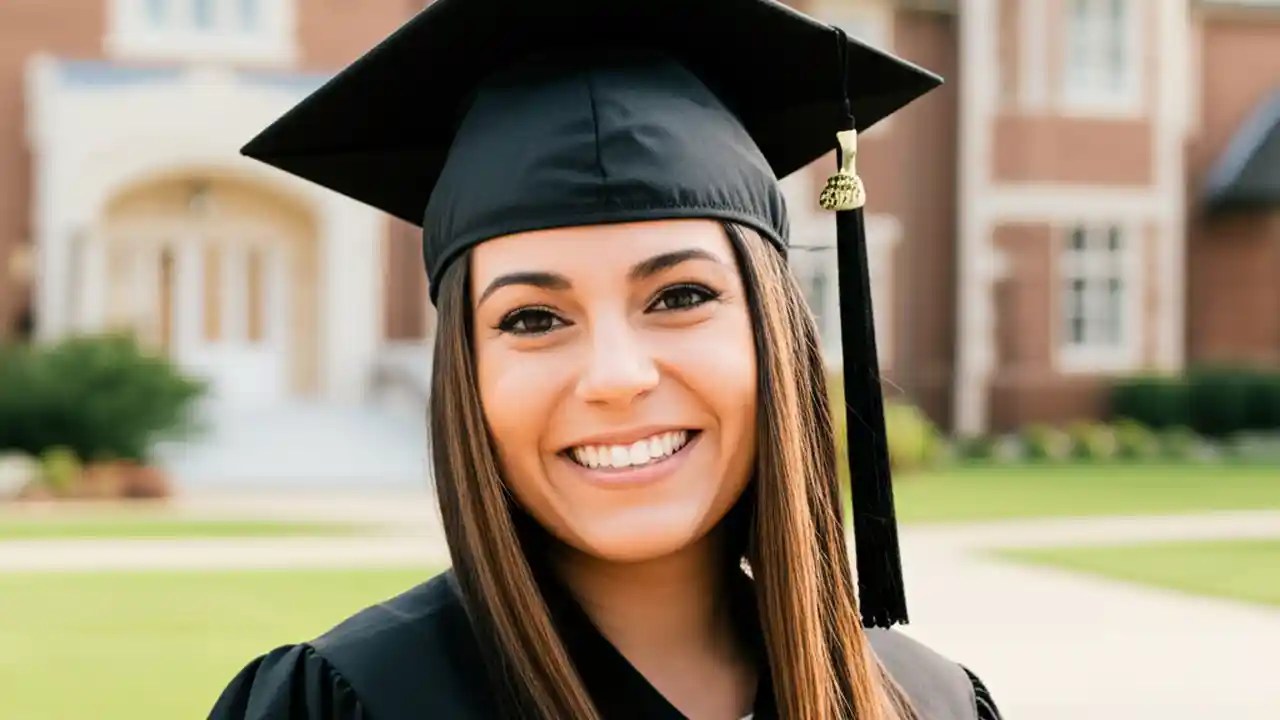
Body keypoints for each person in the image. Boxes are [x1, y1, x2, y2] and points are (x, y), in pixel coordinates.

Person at [210, 0, 1004, 718]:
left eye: (681, 297)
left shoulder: (926, 705)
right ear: (466, 374)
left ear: (776, 335)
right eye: (532, 318)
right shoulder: (345, 707)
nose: (618, 376)